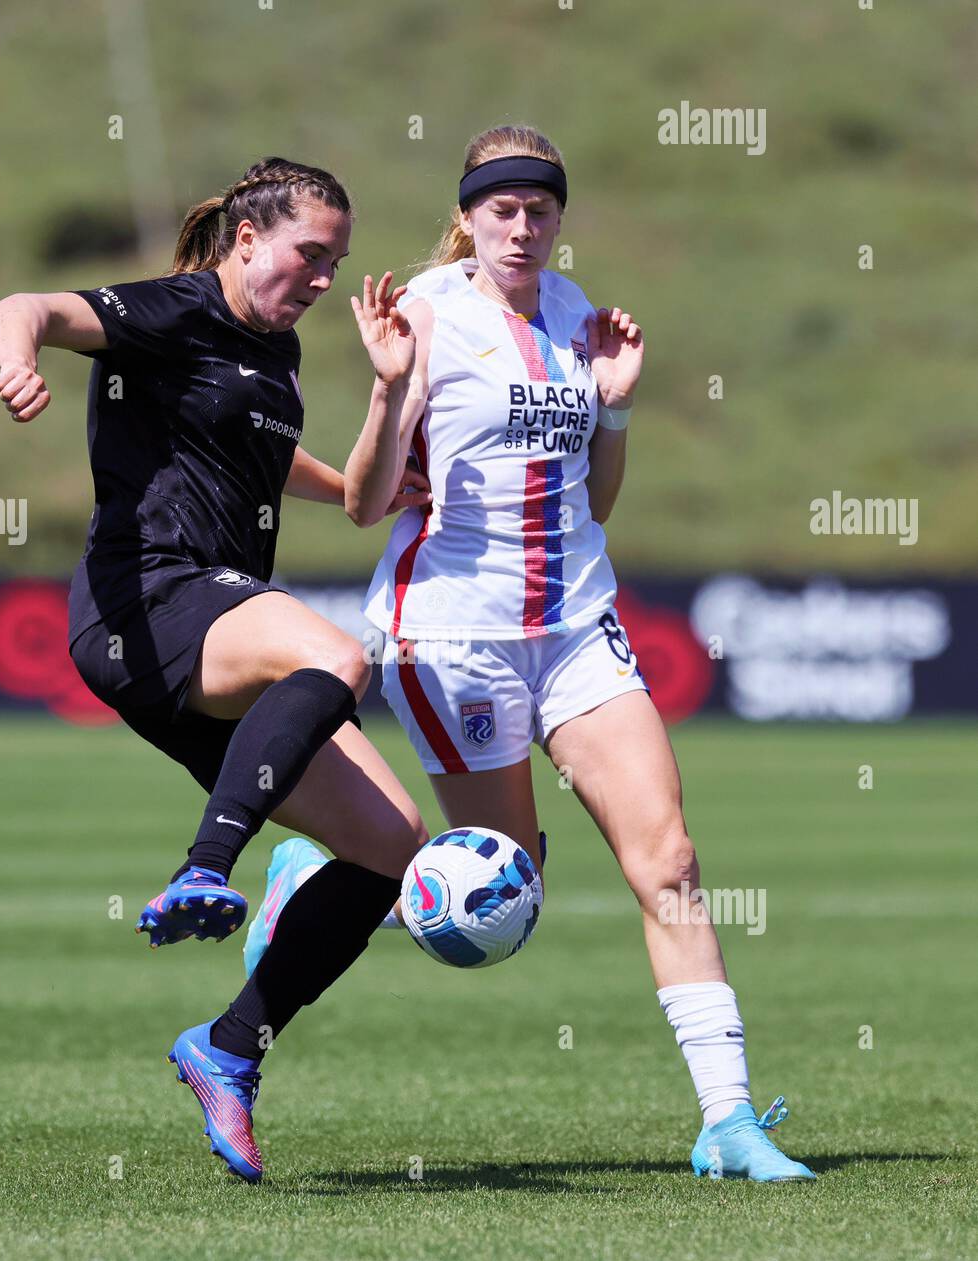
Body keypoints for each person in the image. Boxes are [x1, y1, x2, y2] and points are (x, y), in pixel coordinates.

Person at [253, 128, 814, 1182]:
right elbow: (368, 507)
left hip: (577, 627)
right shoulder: (422, 311)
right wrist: (385, 389)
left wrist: (619, 403)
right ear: (468, 216)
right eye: (501, 209)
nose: (522, 227)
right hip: (454, 636)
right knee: (509, 897)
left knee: (672, 861)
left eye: (540, 209)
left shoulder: (575, 311)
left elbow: (596, 502)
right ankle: (318, 870)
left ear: (559, 216)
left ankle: (729, 1121)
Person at [0, 157, 430, 1182]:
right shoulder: (177, 312)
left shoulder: (274, 362)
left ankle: (231, 1047)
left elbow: (359, 498)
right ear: (245, 238)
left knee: (392, 848)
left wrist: (390, 386)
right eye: (310, 253)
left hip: (205, 635)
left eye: (337, 261)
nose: (324, 276)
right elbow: (30, 306)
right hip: (146, 600)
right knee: (336, 654)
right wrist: (16, 360)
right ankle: (206, 867)